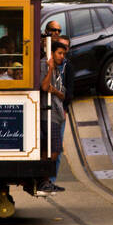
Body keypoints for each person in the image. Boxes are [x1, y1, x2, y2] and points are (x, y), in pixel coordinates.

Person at [39, 43, 68, 193]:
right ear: (52, 53)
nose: (62, 57)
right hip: (47, 114)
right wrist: (50, 68)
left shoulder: (58, 70)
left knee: (49, 149)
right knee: (54, 149)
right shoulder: (44, 65)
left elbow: (63, 93)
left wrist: (55, 91)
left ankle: (46, 180)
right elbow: (44, 87)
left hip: (56, 114)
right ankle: (44, 180)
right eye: (59, 53)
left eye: (64, 54)